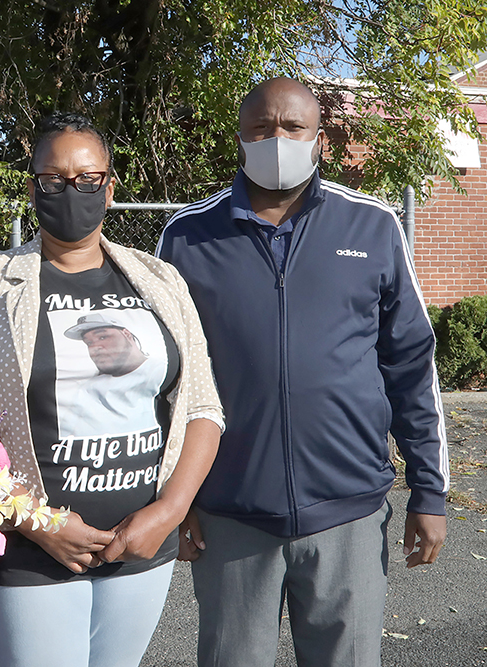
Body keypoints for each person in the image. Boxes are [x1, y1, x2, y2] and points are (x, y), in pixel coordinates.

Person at [155, 77, 449, 667]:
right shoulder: (187, 236)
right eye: (261, 128)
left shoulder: (372, 226)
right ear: (240, 139)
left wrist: (430, 490)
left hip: (349, 509)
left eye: (294, 127)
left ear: (320, 139)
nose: (278, 139)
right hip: (229, 515)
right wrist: (174, 500)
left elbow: (411, 365)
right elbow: (165, 381)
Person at [0, 112, 224, 667]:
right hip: (30, 550)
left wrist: (169, 510)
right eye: (54, 179)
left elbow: (203, 407)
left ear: (109, 188)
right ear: (32, 188)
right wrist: (33, 520)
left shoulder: (159, 280)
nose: (72, 191)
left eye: (88, 178)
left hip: (141, 544)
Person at [59, 313, 168, 435]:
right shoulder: (87, 389)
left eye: (102, 337)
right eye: (89, 343)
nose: (94, 347)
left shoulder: (160, 371)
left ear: (127, 334)